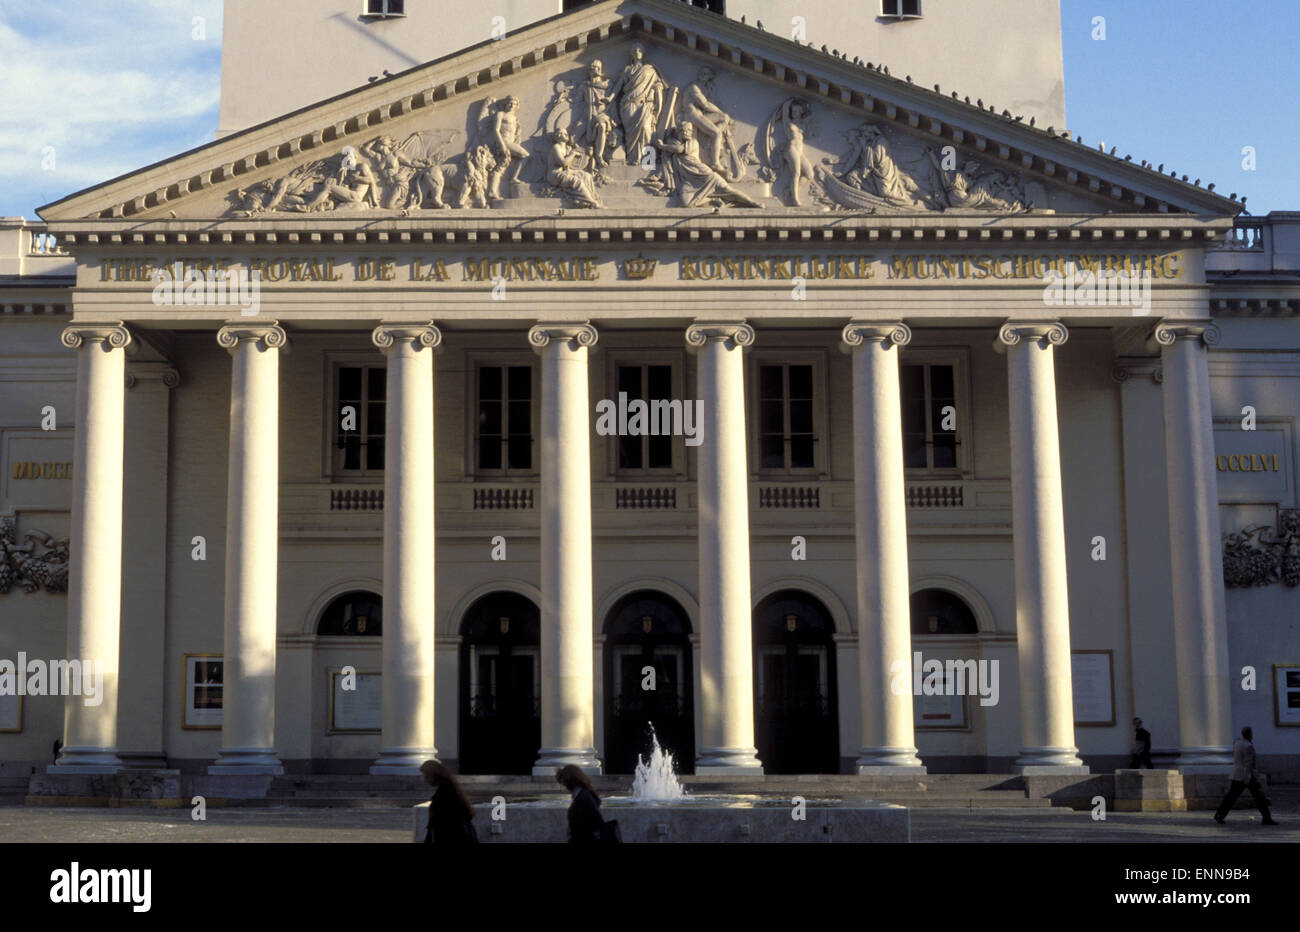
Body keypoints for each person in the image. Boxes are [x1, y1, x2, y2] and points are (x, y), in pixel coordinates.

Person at [1214, 726, 1278, 825]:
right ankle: (1266, 818)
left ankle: (1219, 815)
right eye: (1251, 733)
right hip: (1246, 776)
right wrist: (1248, 777)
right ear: (1249, 734)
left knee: (1231, 796)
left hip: (1236, 774)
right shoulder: (1248, 746)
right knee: (1259, 797)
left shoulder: (1237, 743)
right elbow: (1248, 763)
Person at [420, 760, 479, 844]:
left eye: (426, 776)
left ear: (434, 775)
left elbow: (442, 823)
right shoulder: (449, 789)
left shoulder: (444, 794)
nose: (425, 780)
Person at [556, 764, 604, 843]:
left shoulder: (583, 796)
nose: (564, 786)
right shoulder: (582, 795)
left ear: (570, 780)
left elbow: (596, 821)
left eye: (564, 782)